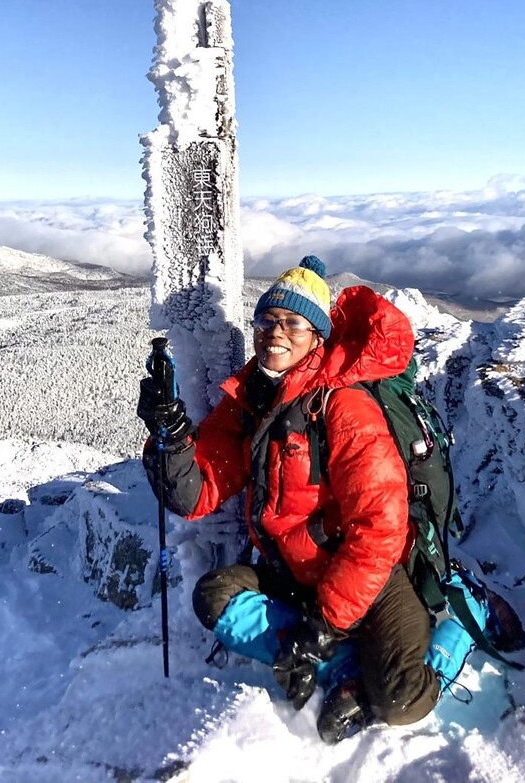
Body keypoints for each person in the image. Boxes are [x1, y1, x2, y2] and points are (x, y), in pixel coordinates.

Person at [138, 256, 482, 743]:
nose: (274, 332)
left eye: (292, 322)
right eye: (266, 320)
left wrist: (321, 625)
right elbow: (197, 494)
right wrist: (169, 437)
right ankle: (344, 667)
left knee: (402, 699)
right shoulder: (253, 400)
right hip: (294, 569)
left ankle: (470, 608)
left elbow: (380, 529)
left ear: (317, 337)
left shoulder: (344, 408)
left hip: (369, 574)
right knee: (214, 597)